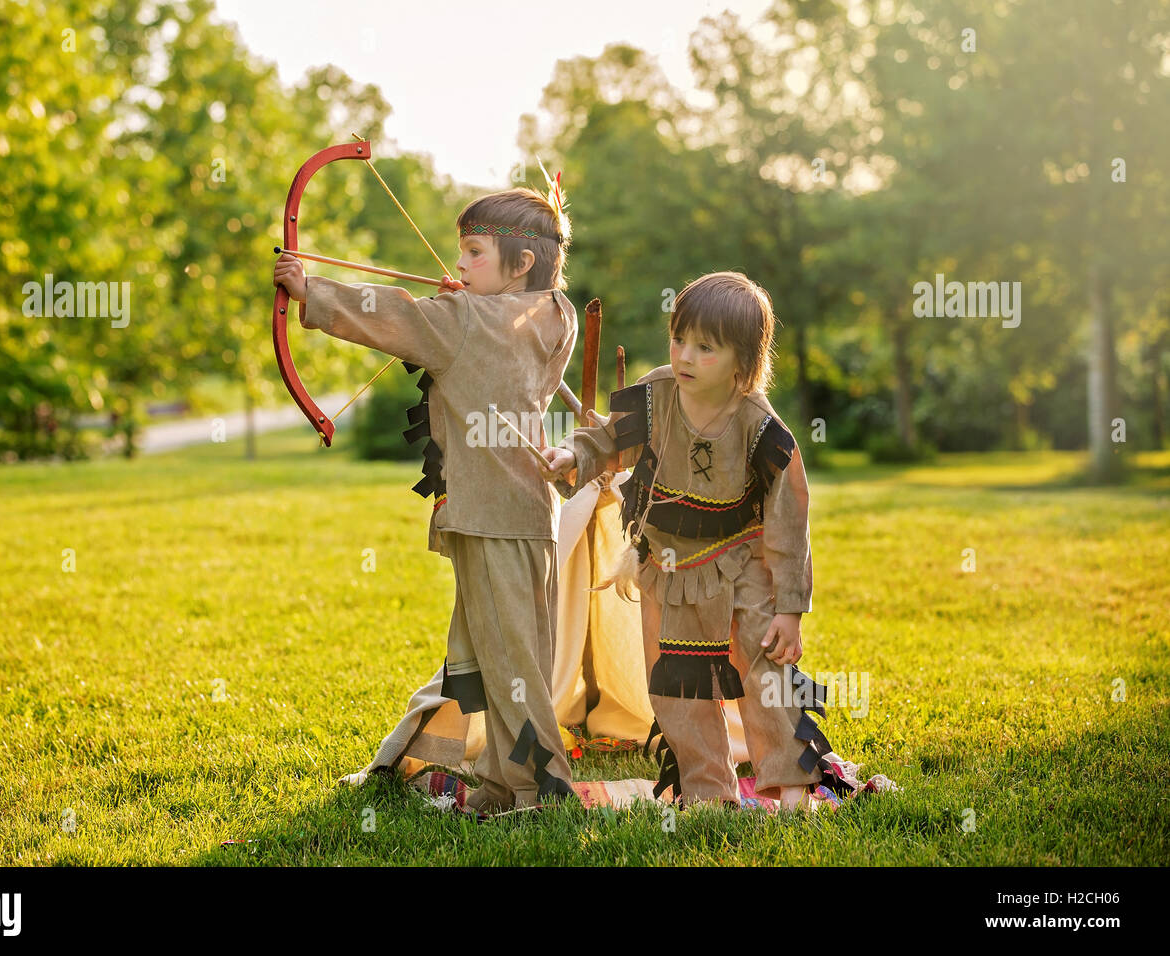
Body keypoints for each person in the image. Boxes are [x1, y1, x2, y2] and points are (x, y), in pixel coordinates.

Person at [274, 181, 579, 814]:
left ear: (520, 264)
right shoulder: (555, 316)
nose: (459, 266)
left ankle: (542, 795)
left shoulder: (463, 319)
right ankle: (502, 780)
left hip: (492, 516)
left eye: (473, 253)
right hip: (528, 514)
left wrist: (312, 290)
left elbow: (395, 315)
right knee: (505, 653)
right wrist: (476, 300)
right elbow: (497, 325)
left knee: (510, 662)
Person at [540, 271, 851, 812]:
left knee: (766, 674)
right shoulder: (657, 395)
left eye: (705, 347)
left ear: (744, 366)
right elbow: (610, 440)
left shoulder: (761, 430)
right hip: (668, 564)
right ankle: (708, 792)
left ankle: (791, 786)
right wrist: (575, 456)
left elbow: (788, 524)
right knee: (678, 687)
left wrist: (789, 609)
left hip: (744, 562)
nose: (684, 355)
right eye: (679, 338)